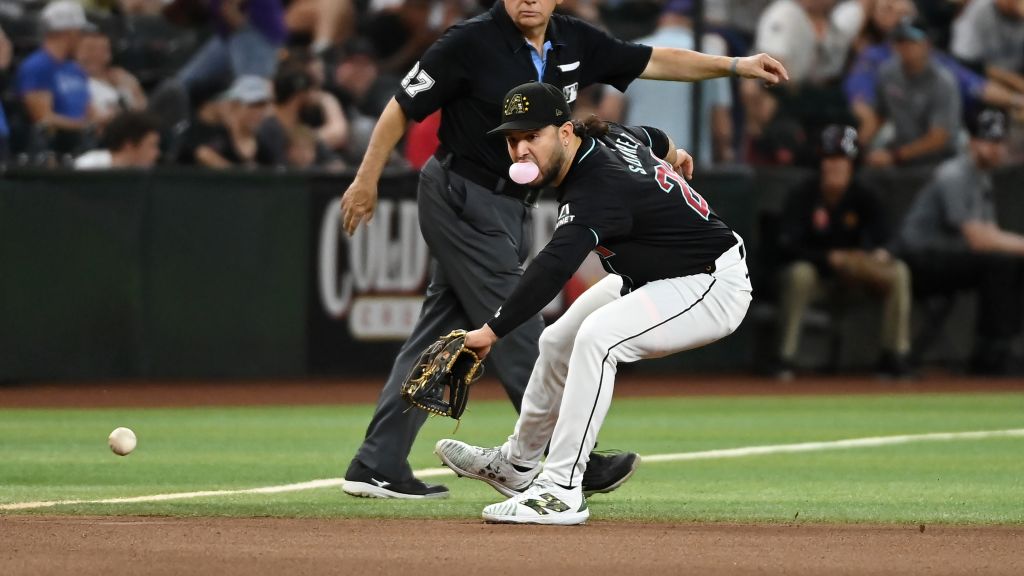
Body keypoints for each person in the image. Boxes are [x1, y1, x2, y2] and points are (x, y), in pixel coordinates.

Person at [338, 0, 787, 500]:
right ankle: (564, 460)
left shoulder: (574, 40)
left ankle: (378, 462)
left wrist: (734, 66)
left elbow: (652, 60)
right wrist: (366, 177)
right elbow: (403, 103)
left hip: (515, 202)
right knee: (522, 327)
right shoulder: (469, 41)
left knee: (445, 325)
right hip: (462, 192)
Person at [433, 82, 752, 525]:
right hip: (655, 275)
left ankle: (561, 489)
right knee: (557, 341)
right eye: (513, 140)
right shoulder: (606, 135)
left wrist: (490, 332)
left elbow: (552, 267)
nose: (521, 150)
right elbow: (652, 137)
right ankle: (518, 464)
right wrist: (675, 153)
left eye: (532, 136)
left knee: (597, 340)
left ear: (565, 133)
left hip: (709, 283)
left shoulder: (598, 186)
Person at [894, 107, 1024, 375]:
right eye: (988, 141)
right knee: (999, 265)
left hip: (948, 256)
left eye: (999, 142)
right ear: (972, 142)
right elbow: (978, 240)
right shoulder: (953, 174)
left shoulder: (981, 177)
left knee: (1010, 263)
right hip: (918, 257)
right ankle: (990, 352)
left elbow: (990, 231)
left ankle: (1001, 346)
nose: (995, 149)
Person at [775, 124, 912, 379]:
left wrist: (881, 253)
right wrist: (828, 258)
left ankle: (894, 356)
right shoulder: (804, 195)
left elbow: (893, 239)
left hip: (858, 278)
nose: (834, 166)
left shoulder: (866, 195)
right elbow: (786, 246)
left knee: (899, 271)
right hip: (819, 279)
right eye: (829, 158)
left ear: (852, 165)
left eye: (841, 159)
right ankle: (785, 358)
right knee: (799, 274)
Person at [623, 0, 734, 165]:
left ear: (663, 18)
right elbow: (721, 128)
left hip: (637, 159)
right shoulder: (710, 55)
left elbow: (609, 111)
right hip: (688, 164)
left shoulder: (633, 50)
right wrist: (725, 157)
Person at [857, 17, 962, 168]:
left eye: (912, 41)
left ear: (927, 44)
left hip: (940, 160)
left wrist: (895, 156)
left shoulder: (943, 82)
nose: (905, 47)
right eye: (900, 41)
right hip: (901, 149)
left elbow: (939, 137)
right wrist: (857, 145)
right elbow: (879, 116)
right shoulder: (888, 73)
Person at [16, 1, 95, 155]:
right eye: (80, 33)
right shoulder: (36, 66)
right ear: (69, 33)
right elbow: (44, 119)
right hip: (57, 148)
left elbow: (89, 110)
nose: (82, 39)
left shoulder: (75, 68)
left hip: (85, 143)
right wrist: (85, 126)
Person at [74, 111, 161, 169]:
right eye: (152, 145)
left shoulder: (145, 174)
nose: (157, 153)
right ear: (129, 146)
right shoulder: (88, 166)